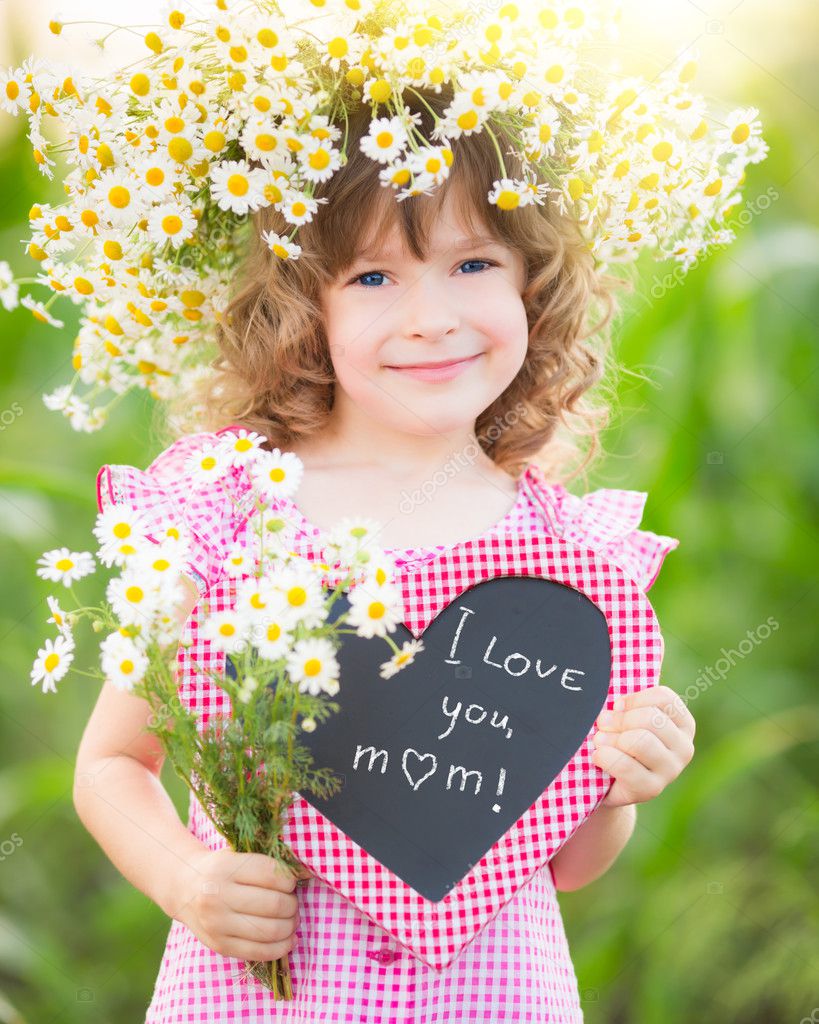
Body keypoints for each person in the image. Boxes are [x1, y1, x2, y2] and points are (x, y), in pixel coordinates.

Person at [74, 87, 697, 1023]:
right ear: (302, 304)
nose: (430, 317)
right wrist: (186, 879)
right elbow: (113, 761)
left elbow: (567, 863)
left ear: (531, 284)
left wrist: (621, 784)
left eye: (472, 263)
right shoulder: (233, 511)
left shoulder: (567, 564)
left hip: (492, 1003)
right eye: (372, 277)